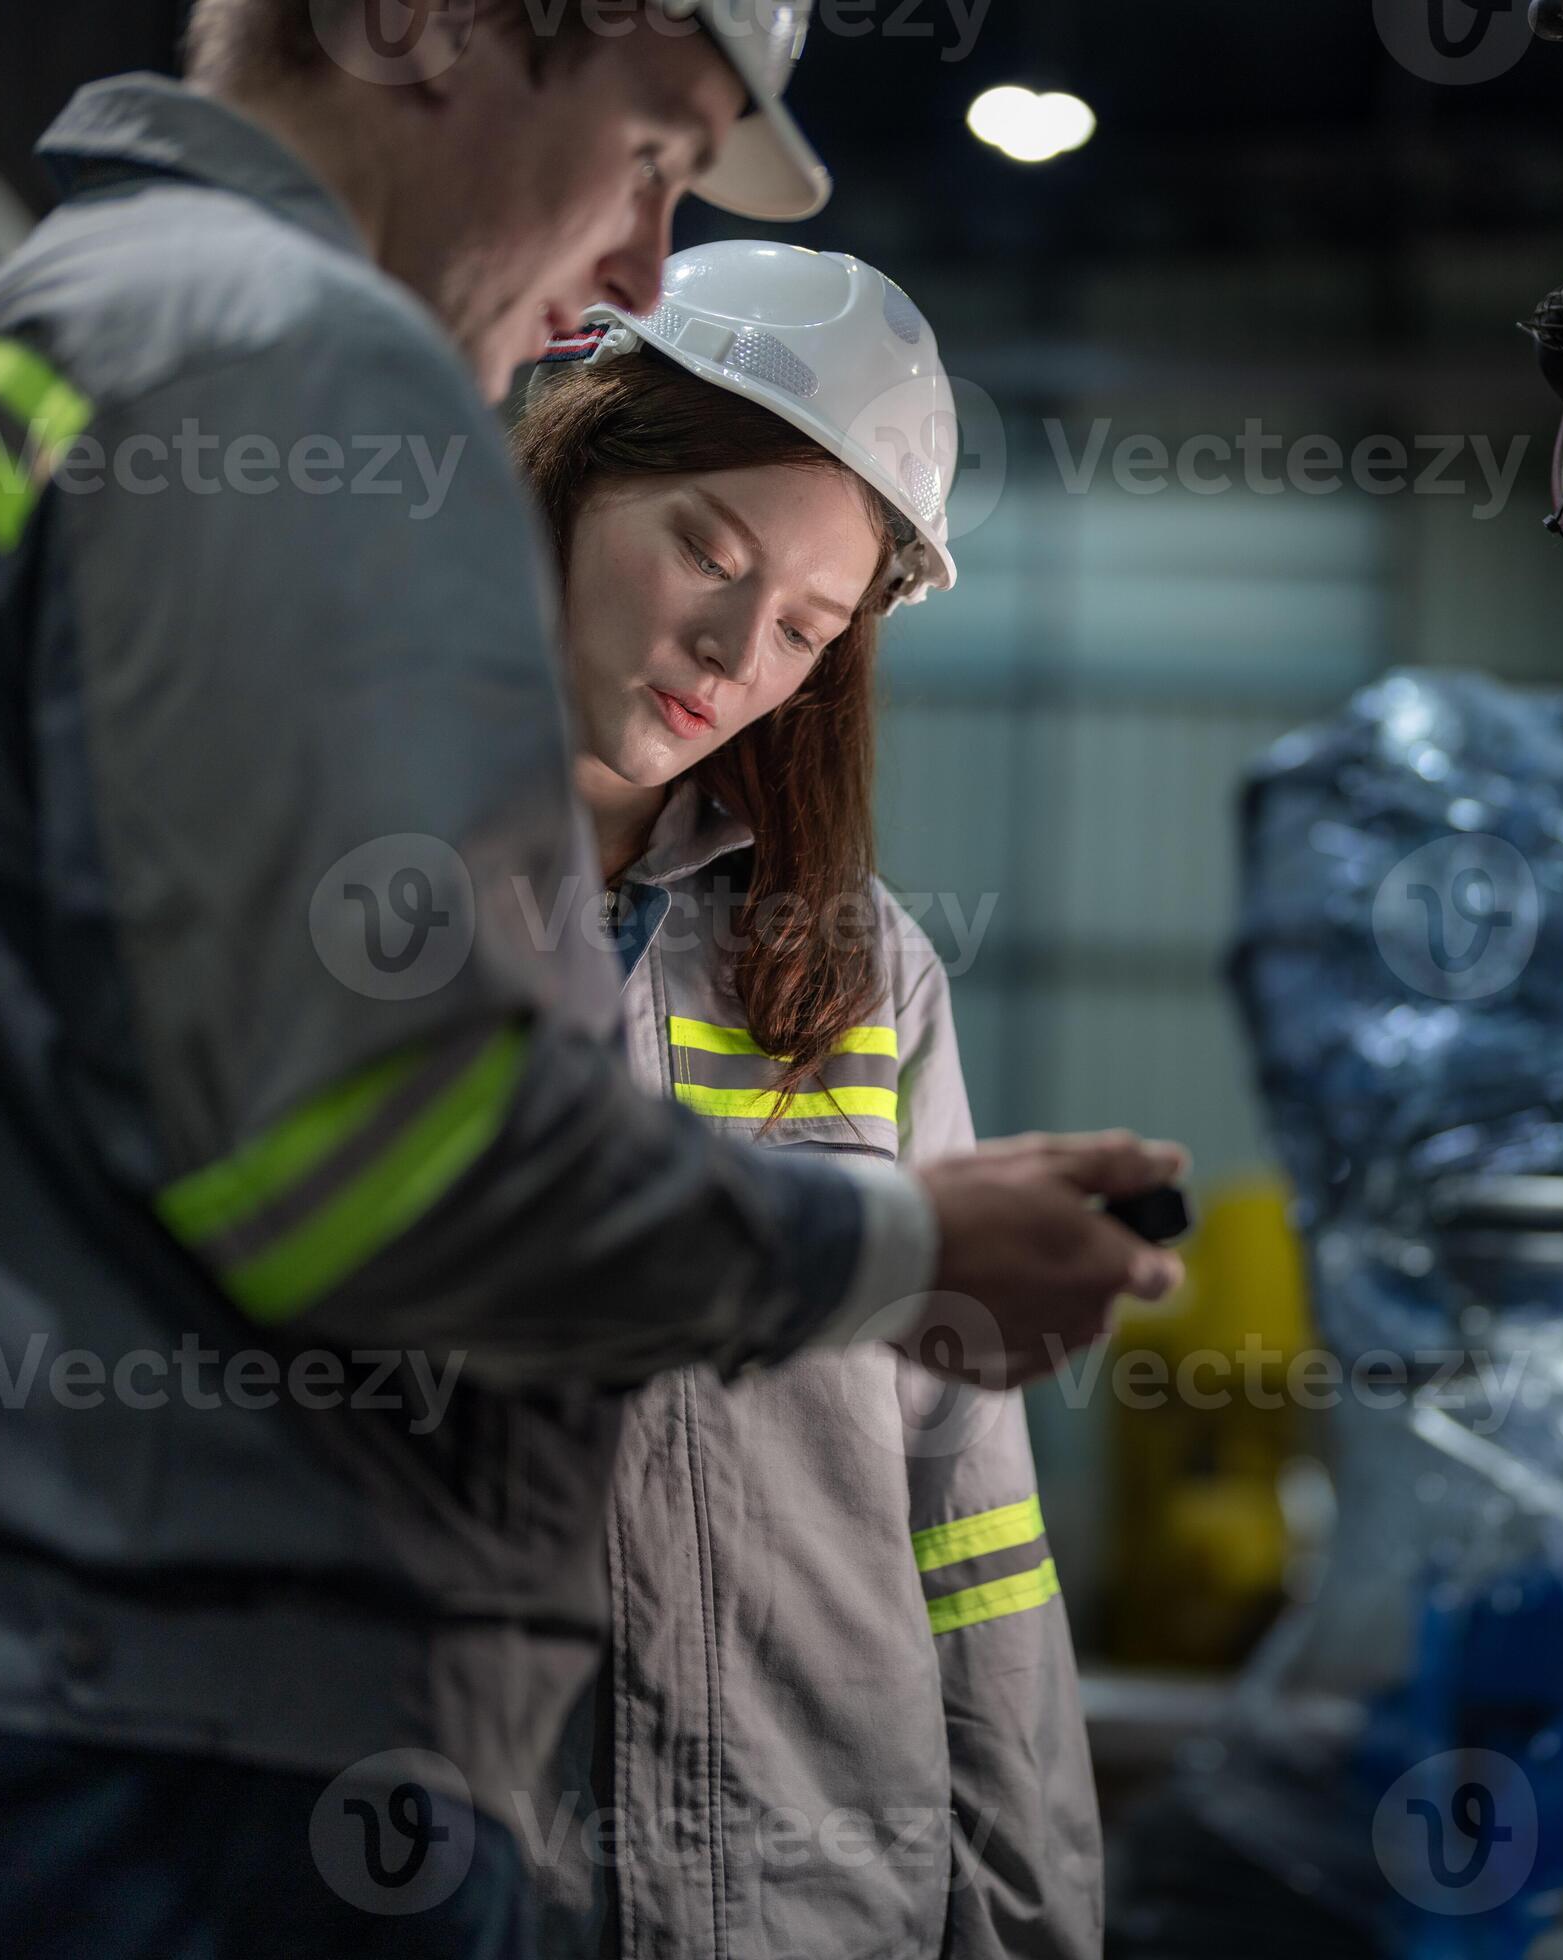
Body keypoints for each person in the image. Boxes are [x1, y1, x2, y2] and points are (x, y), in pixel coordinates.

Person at [0, 5, 1180, 1953]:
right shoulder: (294, 373)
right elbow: (375, 1156)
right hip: (169, 1781)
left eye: (812, 619)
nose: (642, 267)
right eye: (651, 151)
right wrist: (898, 1245)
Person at [513, 243, 1106, 1959]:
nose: (733, 649)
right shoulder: (359, 891)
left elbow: (968, 1497)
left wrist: (1022, 1914)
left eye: (805, 625)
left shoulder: (855, 969)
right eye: (707, 543)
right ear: (572, 458)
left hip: (814, 1905)